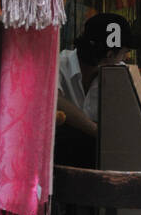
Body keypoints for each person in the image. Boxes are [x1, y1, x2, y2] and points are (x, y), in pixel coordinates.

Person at [55, 13, 133, 166]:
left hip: (99, 156)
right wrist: (95, 130)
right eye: (124, 52)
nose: (126, 57)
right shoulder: (60, 65)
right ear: (110, 54)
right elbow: (54, 100)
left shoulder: (119, 72)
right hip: (59, 156)